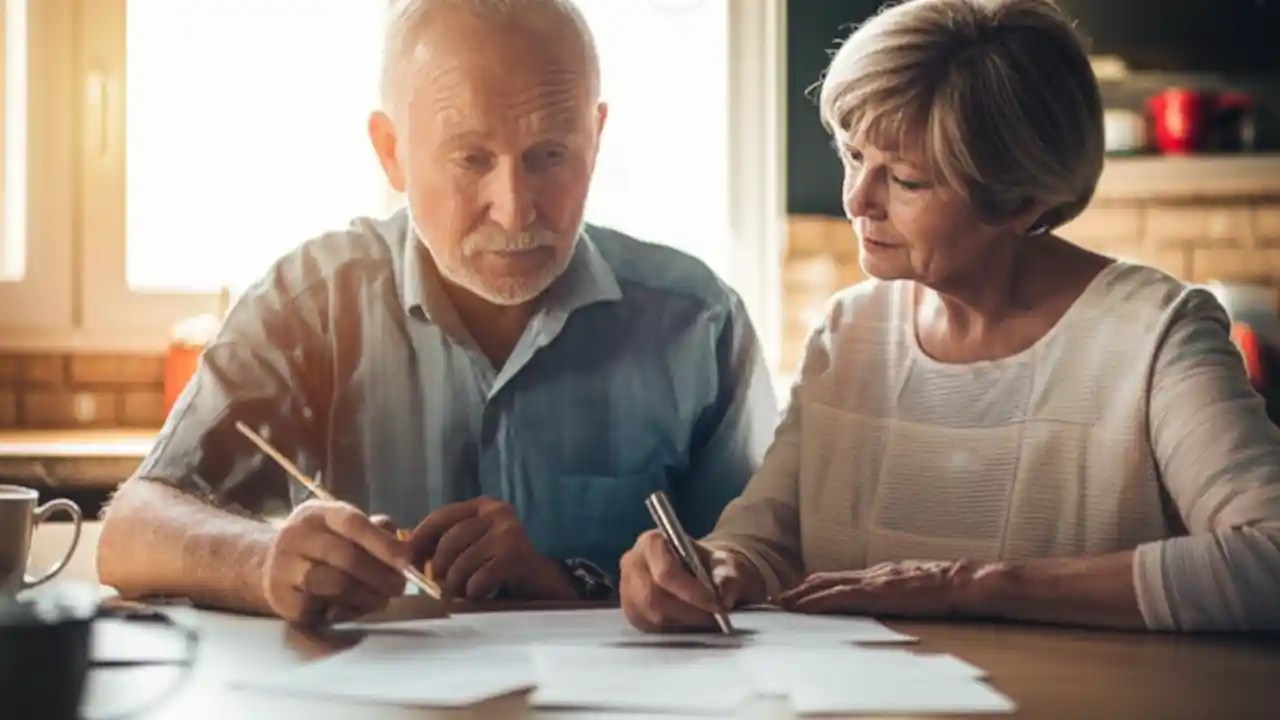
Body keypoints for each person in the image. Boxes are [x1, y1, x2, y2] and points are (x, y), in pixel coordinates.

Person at [97, 0, 778, 625]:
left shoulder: (700, 324)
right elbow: (130, 530)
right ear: (391, 152)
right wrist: (263, 561)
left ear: (595, 137)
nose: (514, 208)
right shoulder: (311, 303)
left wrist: (564, 583)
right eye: (470, 158)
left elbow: (758, 572)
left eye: (550, 155)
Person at [620, 0, 1280, 633]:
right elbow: (765, 540)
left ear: (1020, 200)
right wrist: (711, 566)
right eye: (854, 155)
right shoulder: (850, 331)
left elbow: (1269, 558)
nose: (857, 200)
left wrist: (972, 586)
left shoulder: (1155, 336)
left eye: (906, 181)